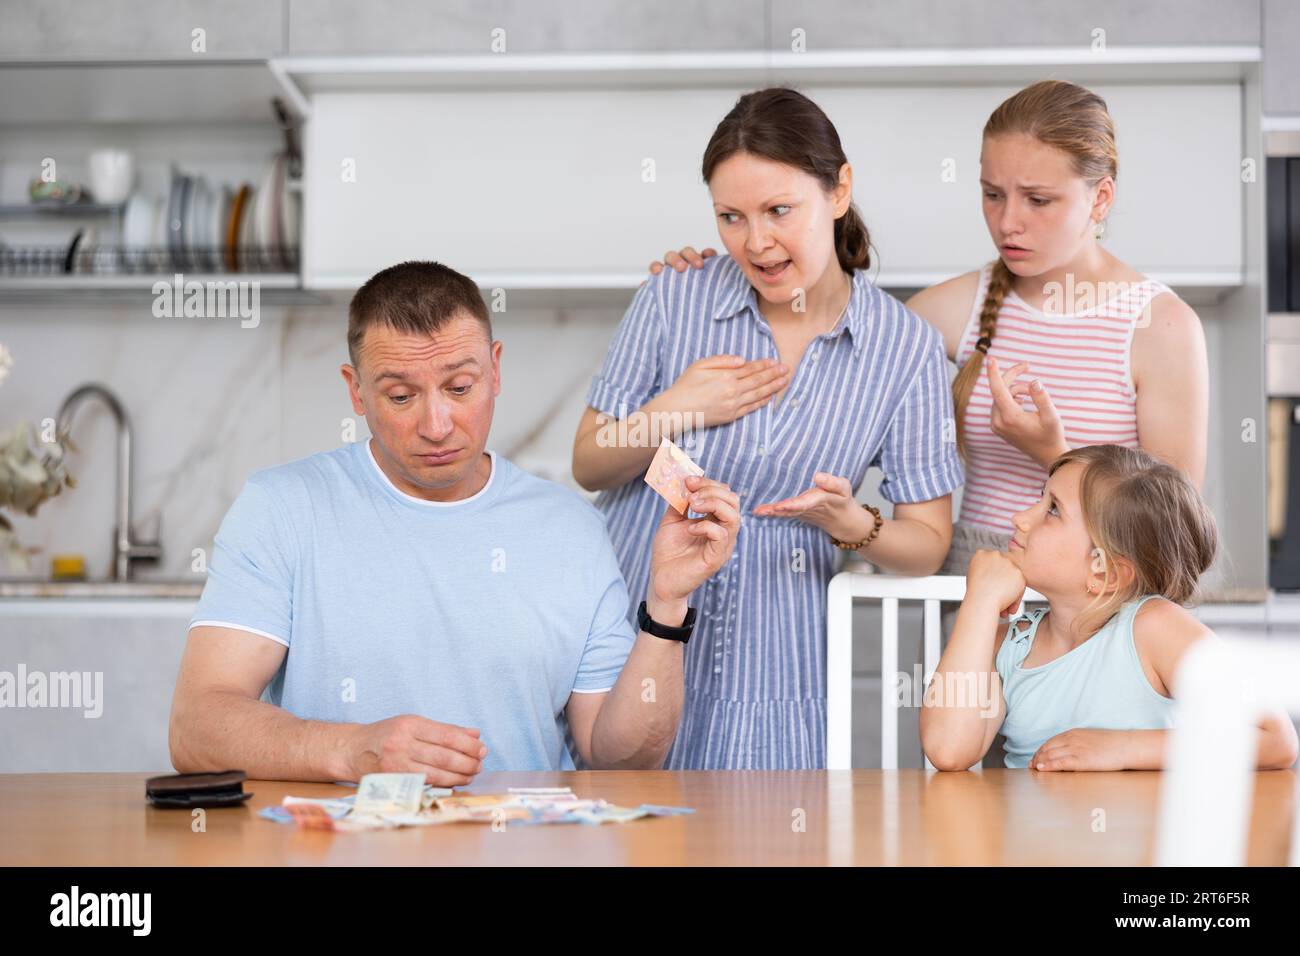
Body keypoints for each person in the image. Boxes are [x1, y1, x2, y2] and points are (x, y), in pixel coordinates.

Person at [169, 260, 740, 785]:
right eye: (400, 395)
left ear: (495, 370)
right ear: (356, 391)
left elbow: (619, 760)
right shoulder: (281, 509)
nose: (437, 424)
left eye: (459, 388)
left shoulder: (571, 528)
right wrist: (350, 750)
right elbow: (197, 727)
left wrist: (667, 605)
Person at [571, 88, 963, 769]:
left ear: (839, 190)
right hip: (636, 620)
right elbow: (588, 463)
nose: (755, 241)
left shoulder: (907, 351)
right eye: (731, 216)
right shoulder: (674, 297)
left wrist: (849, 523)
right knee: (619, 827)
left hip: (777, 652)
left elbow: (927, 544)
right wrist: (674, 408)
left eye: (780, 210)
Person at [920, 444, 1297, 771]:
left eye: (1052, 510)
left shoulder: (1154, 628)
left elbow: (1276, 738)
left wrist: (1123, 747)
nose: (1020, 518)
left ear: (1107, 573)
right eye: (1041, 498)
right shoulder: (1009, 641)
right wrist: (980, 600)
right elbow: (947, 749)